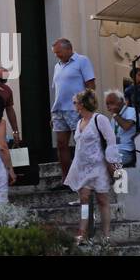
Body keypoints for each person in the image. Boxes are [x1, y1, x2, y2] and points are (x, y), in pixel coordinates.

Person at [65, 88, 117, 244]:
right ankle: (82, 233)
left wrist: (112, 162)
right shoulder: (79, 122)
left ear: (81, 104)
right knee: (84, 199)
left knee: (102, 200)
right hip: (83, 168)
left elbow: (111, 140)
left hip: (99, 166)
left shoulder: (99, 119)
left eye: (75, 102)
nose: (73, 105)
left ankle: (106, 235)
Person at [51, 38, 95, 187]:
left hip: (76, 109)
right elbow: (58, 90)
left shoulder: (82, 60)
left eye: (59, 52)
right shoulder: (57, 66)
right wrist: (53, 111)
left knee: (81, 143)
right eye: (55, 53)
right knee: (61, 144)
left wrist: (86, 107)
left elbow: (91, 85)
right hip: (59, 111)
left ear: (69, 49)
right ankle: (66, 180)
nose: (57, 56)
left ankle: (84, 177)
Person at [105, 90, 137, 167]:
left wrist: (114, 114)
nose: (109, 106)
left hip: (127, 151)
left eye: (111, 103)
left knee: (109, 164)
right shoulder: (114, 117)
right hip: (115, 150)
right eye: (107, 104)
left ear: (121, 101)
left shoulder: (130, 111)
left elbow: (126, 126)